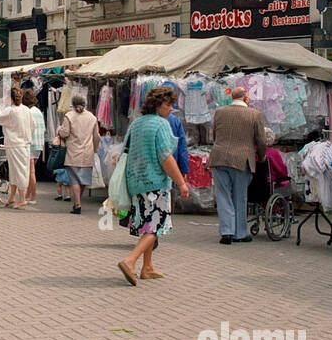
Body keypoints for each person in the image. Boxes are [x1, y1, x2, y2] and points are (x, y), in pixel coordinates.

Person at [117, 86, 191, 284]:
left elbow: (126, 150)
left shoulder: (137, 123)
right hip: (155, 183)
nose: (171, 109)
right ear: (159, 105)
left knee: (147, 224)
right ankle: (130, 260)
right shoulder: (161, 125)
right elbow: (166, 157)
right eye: (169, 105)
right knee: (156, 226)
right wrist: (181, 183)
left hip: (136, 182)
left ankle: (147, 266)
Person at [208, 85, 269, 245]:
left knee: (222, 196)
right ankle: (239, 233)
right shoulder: (254, 114)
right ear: (246, 98)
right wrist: (261, 157)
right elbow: (261, 141)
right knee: (240, 196)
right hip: (242, 160)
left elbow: (214, 134)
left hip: (219, 157)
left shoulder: (220, 112)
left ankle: (226, 232)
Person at [0, 85, 34, 209]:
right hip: (24, 143)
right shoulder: (26, 109)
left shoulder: (11, 110)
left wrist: (2, 104)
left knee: (18, 171)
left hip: (14, 144)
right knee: (15, 170)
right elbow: (33, 125)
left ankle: (22, 198)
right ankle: (12, 197)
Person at [57, 93, 100, 214]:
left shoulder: (69, 116)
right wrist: (95, 149)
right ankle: (78, 202)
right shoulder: (92, 117)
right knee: (83, 180)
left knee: (75, 180)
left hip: (73, 152)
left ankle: (77, 204)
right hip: (87, 152)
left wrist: (58, 130)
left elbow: (64, 133)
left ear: (73, 103)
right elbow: (97, 136)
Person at [23, 84, 45, 204]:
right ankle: (28, 194)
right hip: (39, 144)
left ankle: (33, 197)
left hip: (30, 144)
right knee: (31, 171)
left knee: (30, 172)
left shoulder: (28, 112)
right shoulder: (38, 111)